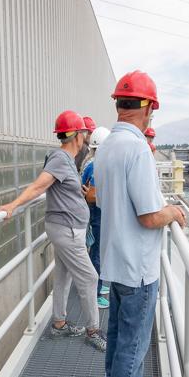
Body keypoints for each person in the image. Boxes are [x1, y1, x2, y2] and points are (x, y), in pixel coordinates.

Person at [94, 70, 186, 377]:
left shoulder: (106, 147)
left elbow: (103, 201)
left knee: (117, 335)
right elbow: (149, 216)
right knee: (133, 342)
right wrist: (174, 213)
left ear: (119, 105)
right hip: (139, 267)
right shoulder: (137, 150)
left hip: (115, 261)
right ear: (148, 108)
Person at [0, 110, 106, 352]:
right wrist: (14, 205)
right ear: (77, 136)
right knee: (90, 278)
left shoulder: (67, 160)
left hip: (68, 228)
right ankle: (93, 330)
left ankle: (59, 323)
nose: (87, 137)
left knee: (63, 276)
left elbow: (61, 186)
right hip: (66, 229)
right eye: (85, 133)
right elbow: (39, 186)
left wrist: (79, 191)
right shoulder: (60, 158)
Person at [81, 126, 111, 309]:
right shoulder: (106, 164)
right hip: (105, 216)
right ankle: (100, 291)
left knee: (96, 252)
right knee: (101, 253)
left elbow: (83, 190)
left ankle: (97, 290)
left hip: (93, 215)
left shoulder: (90, 165)